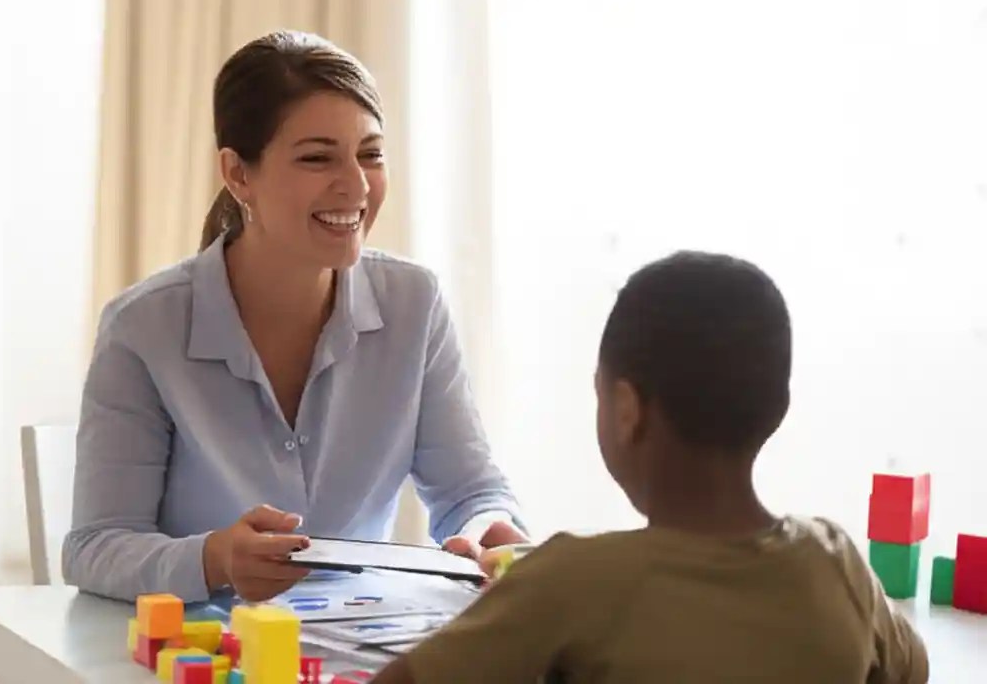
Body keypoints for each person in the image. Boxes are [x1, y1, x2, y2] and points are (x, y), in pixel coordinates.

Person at [62, 30, 527, 604]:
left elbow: (471, 492)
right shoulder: (143, 328)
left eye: (371, 154)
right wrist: (215, 559)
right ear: (238, 175)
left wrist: (485, 532)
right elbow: (95, 546)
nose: (356, 185)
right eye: (317, 158)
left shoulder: (415, 304)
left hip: (362, 645)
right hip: (197, 652)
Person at [375, 252, 929, 684]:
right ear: (778, 409)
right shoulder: (837, 564)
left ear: (625, 411)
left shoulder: (572, 579)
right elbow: (912, 670)